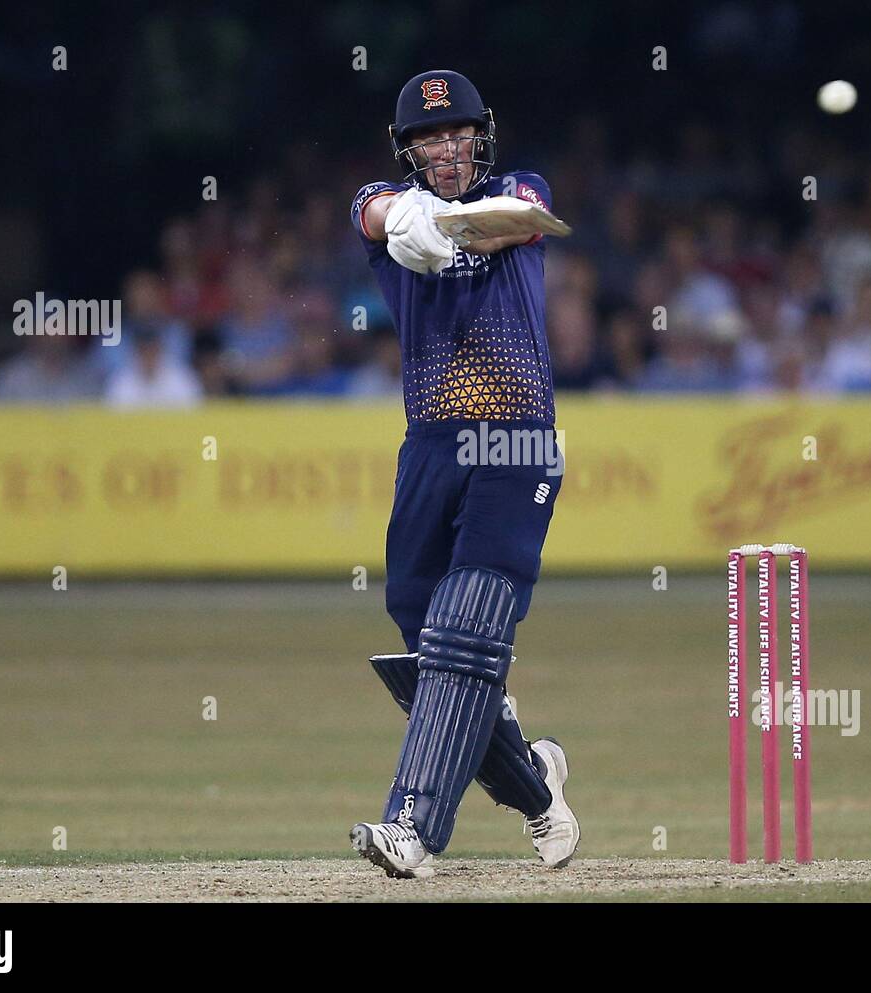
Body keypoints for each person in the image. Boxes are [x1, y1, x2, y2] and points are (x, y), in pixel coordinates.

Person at [346, 69, 579, 878]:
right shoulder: (386, 201)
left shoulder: (518, 186)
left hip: (516, 438)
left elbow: (512, 222)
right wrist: (398, 215)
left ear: (479, 135)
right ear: (407, 148)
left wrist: (441, 225)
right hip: (431, 442)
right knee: (417, 618)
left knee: (467, 625)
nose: (445, 149)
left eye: (456, 134)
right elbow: (372, 212)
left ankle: (411, 828)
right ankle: (536, 783)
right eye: (428, 139)